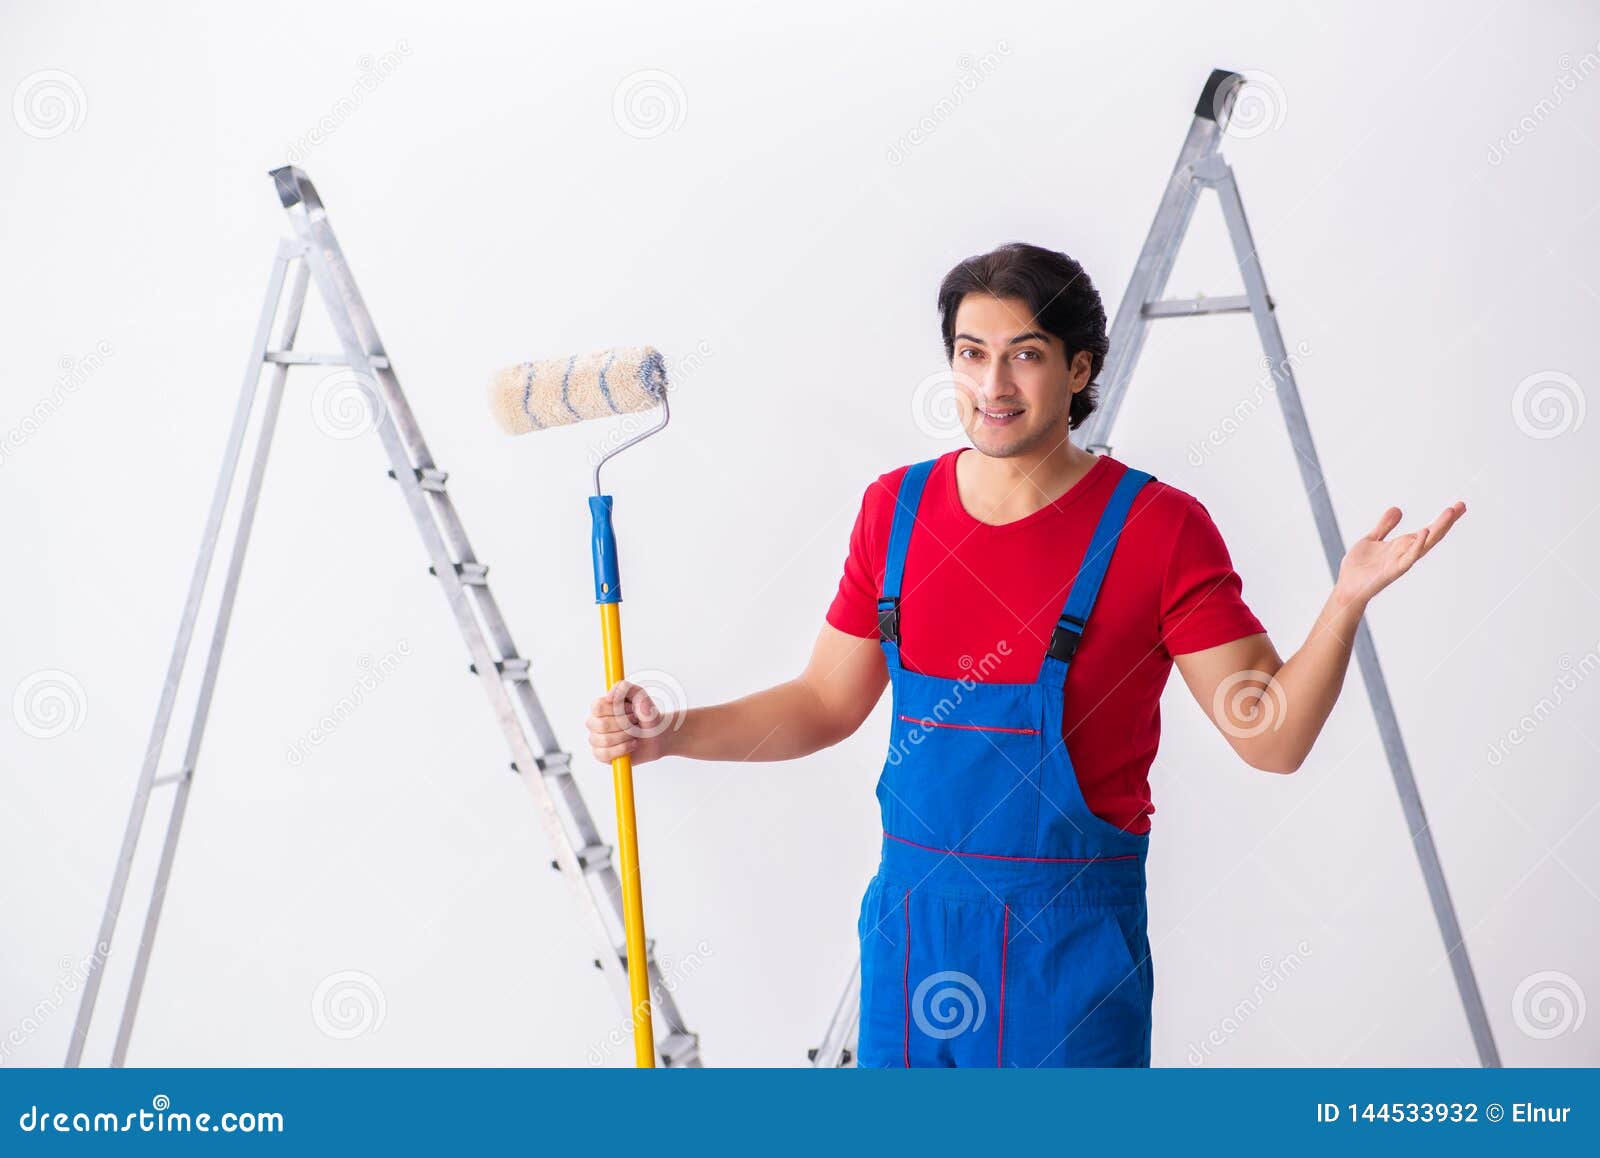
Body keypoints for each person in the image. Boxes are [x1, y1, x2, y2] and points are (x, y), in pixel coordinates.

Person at [584, 242, 1465, 1067]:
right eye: (971, 353)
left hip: (1069, 952)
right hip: (912, 937)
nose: (993, 384)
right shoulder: (896, 511)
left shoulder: (1157, 531)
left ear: (1080, 369)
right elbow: (823, 702)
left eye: (1026, 353)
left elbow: (1269, 738)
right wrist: (671, 733)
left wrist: (1344, 604)